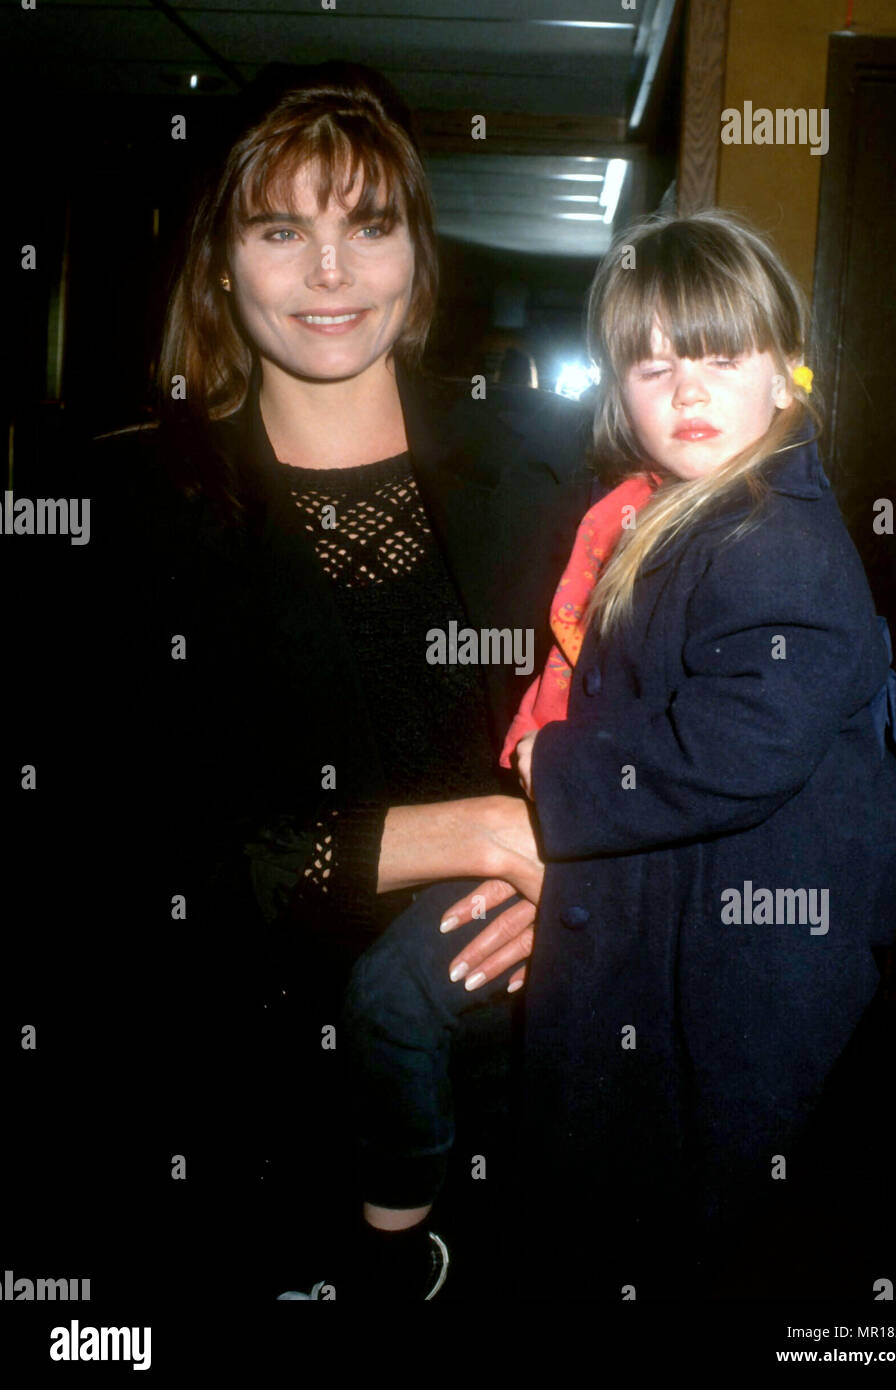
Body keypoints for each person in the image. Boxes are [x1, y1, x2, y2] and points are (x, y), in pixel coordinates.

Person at [51, 63, 593, 1302]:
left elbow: (642, 746)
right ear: (223, 262)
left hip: (506, 1083)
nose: (331, 273)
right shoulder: (133, 512)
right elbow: (135, 852)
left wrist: (574, 892)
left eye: (368, 223)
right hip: (238, 1111)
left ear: (417, 253)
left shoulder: (542, 481)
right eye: (283, 228)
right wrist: (480, 833)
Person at [337, 209, 896, 1302]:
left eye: (716, 357)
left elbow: (742, 744)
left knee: (713, 1152)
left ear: (784, 374)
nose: (685, 391)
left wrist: (556, 780)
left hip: (766, 931)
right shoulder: (682, 509)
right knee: (608, 1134)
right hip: (681, 893)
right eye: (652, 368)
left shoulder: (777, 537)